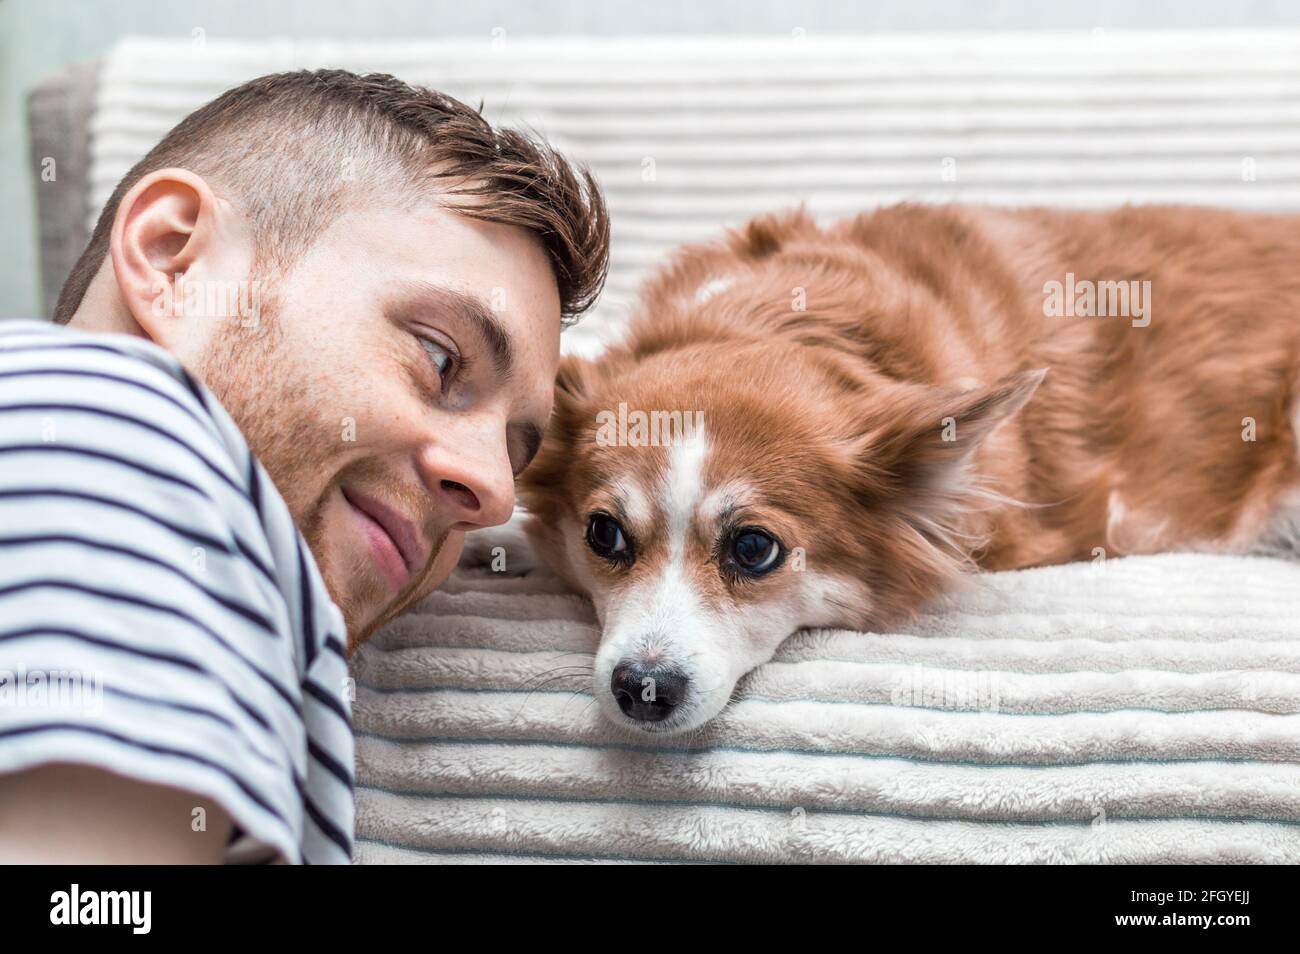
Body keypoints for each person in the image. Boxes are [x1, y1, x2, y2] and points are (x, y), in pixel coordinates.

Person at [0, 69, 610, 863]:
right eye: (438, 356)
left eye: (512, 453)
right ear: (173, 259)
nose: (493, 495)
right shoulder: (112, 418)